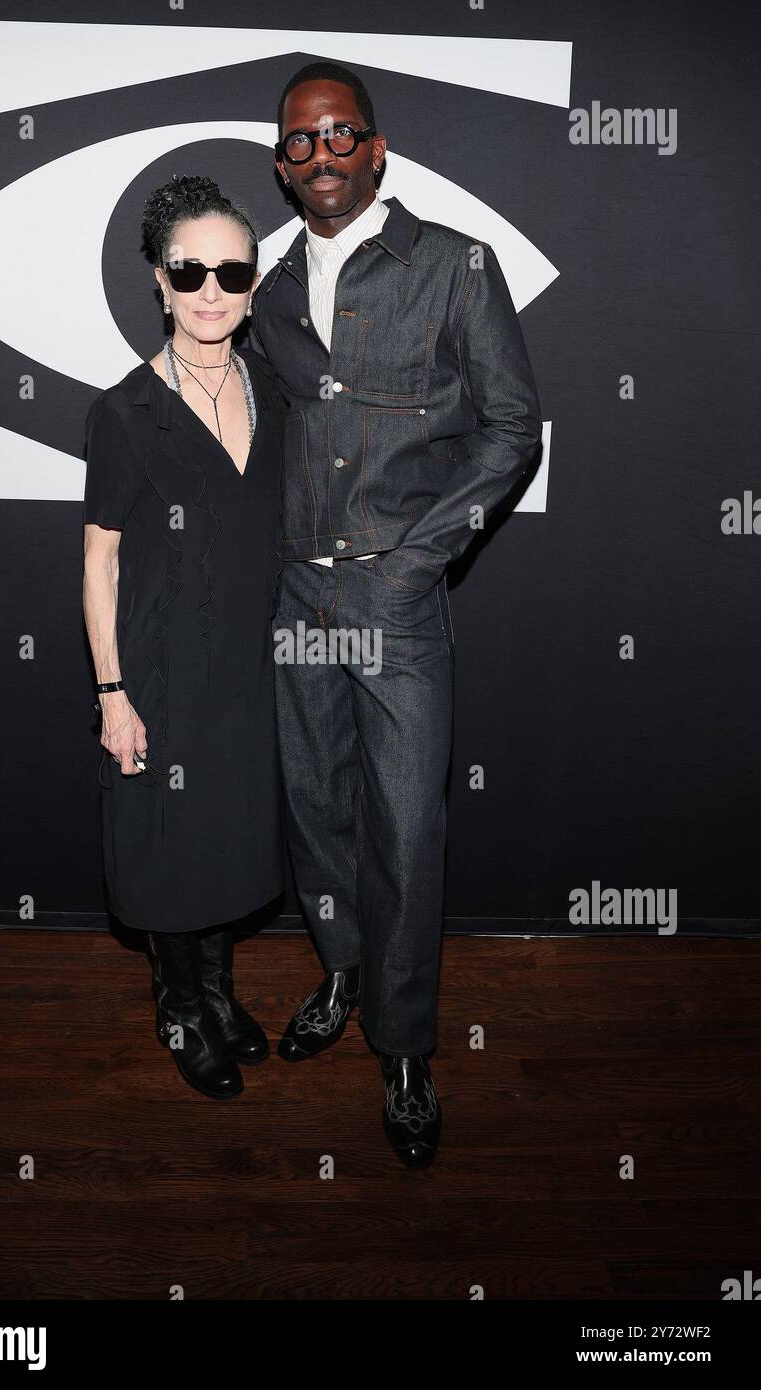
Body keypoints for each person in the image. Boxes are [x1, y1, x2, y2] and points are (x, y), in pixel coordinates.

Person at [246, 62, 542, 1166]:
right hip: (299, 597)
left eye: (339, 136)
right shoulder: (271, 292)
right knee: (317, 809)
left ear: (375, 148)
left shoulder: (456, 268)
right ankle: (341, 972)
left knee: (409, 831)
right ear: (281, 166)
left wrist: (421, 557)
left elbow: (513, 427)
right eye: (298, 144)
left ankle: (405, 1045)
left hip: (394, 595)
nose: (319, 156)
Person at [82, 175, 287, 1101]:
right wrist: (112, 694)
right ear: (158, 283)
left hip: (246, 672)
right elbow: (101, 566)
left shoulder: (274, 393)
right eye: (189, 271)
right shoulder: (126, 413)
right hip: (159, 675)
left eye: (231, 272)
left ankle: (217, 991)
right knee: (170, 848)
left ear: (253, 282)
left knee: (226, 839)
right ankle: (178, 1010)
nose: (211, 291)